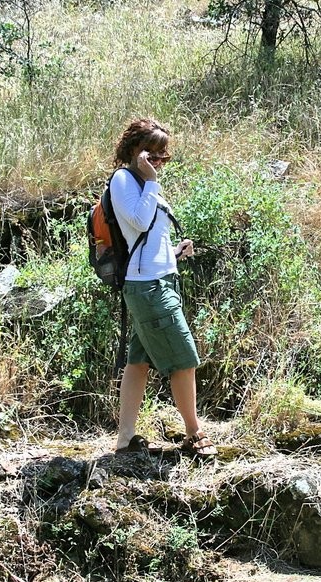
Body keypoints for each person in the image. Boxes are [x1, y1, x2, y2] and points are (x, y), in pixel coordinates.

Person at [109, 118, 217, 458]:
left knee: (138, 361)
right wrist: (152, 182)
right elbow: (138, 222)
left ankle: (126, 438)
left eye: (161, 156)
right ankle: (194, 433)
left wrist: (173, 253)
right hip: (148, 288)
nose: (156, 161)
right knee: (184, 359)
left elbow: (147, 239)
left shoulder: (144, 185)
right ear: (133, 150)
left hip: (158, 281)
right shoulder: (124, 180)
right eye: (150, 153)